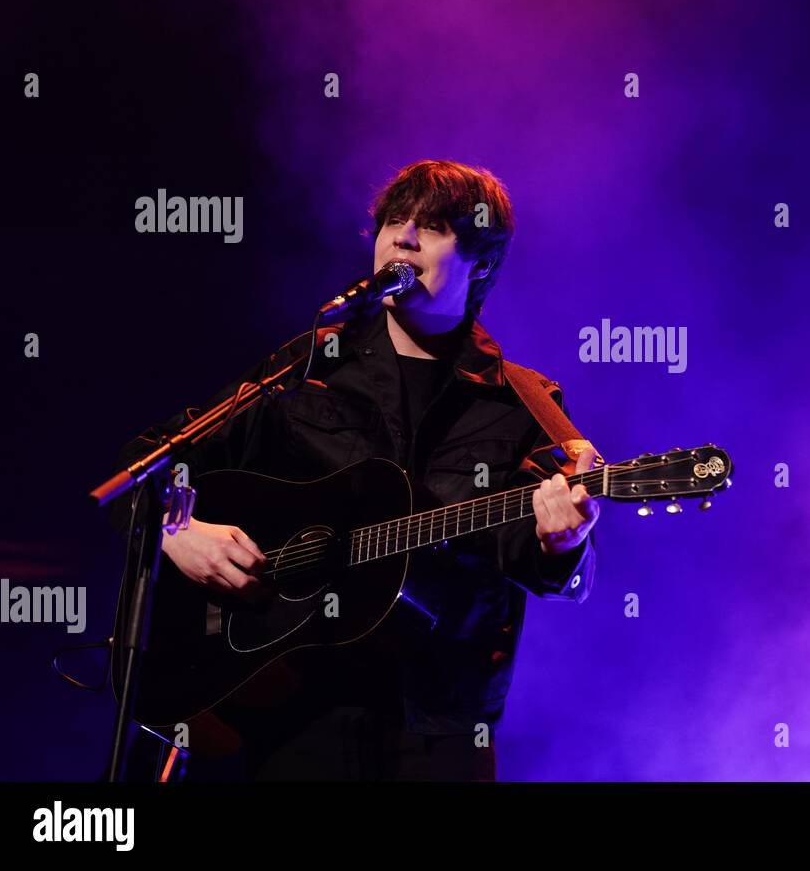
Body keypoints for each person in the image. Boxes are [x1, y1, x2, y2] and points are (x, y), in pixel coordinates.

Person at [110, 160, 600, 781]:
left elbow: (550, 563)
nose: (403, 237)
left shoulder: (522, 405)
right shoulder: (310, 369)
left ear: (480, 262)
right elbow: (150, 465)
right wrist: (174, 532)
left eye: (433, 227)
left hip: (434, 724)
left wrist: (563, 540)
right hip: (283, 705)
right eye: (393, 222)